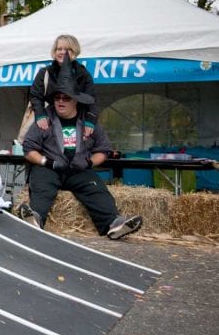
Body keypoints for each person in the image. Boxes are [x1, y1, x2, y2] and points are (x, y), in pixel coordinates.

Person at [21, 82, 143, 239]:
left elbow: (103, 149)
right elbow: (29, 149)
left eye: (66, 98)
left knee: (96, 188)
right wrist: (47, 162)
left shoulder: (89, 121)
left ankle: (114, 224)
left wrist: (89, 163)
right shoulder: (44, 118)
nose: (60, 101)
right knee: (42, 187)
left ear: (76, 101)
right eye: (57, 98)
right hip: (49, 167)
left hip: (78, 169)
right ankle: (35, 219)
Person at [29, 34, 98, 138]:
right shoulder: (44, 72)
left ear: (74, 51)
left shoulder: (83, 73)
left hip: (76, 123)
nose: (62, 52)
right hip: (49, 122)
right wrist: (40, 114)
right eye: (59, 49)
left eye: (67, 49)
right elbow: (35, 96)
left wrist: (90, 120)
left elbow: (91, 99)